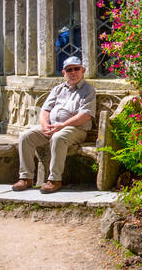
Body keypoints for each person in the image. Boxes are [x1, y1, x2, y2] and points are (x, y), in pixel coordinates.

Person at [14, 56, 96, 193]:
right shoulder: (58, 89)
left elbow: (85, 116)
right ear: (64, 73)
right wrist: (45, 125)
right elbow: (45, 110)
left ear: (83, 70)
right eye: (69, 70)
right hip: (53, 127)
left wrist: (62, 126)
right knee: (25, 136)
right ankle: (26, 178)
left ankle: (54, 180)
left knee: (58, 137)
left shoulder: (88, 90)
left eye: (77, 69)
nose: (73, 72)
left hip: (75, 130)